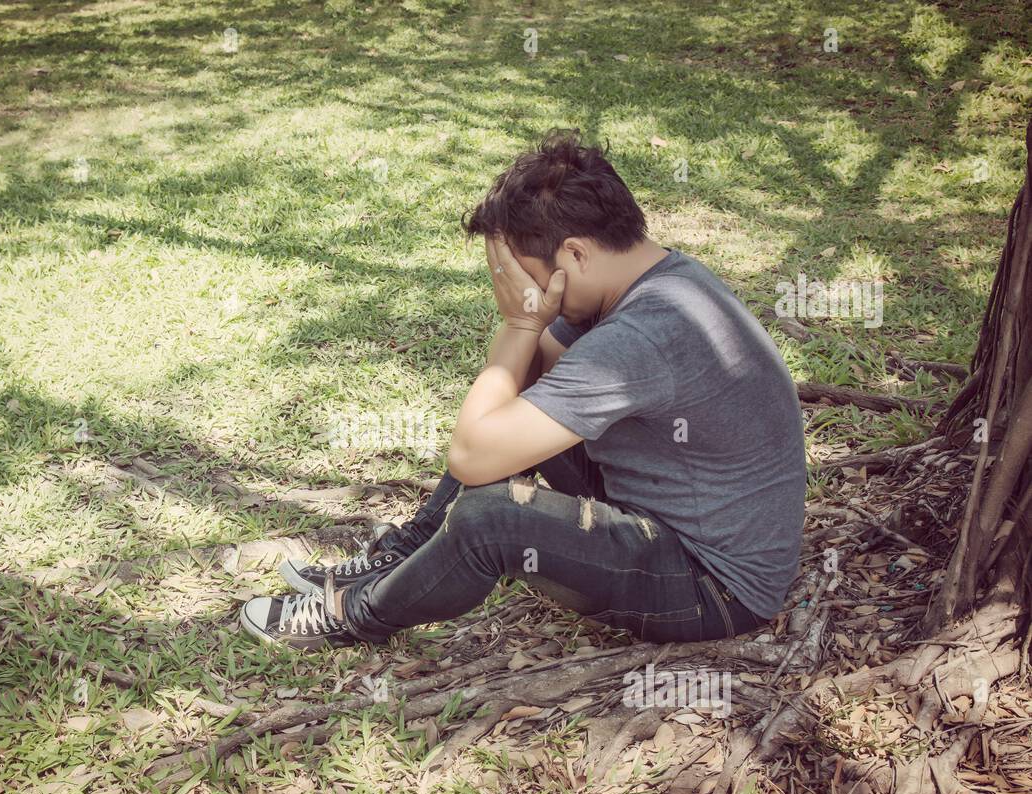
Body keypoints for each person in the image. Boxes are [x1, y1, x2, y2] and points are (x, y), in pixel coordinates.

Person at [240, 129, 806, 651]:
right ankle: (405, 556)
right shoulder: (650, 279)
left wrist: (520, 323)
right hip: (663, 520)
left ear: (575, 253)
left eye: (526, 276)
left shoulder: (645, 332)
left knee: (491, 519)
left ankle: (351, 613)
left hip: (714, 588)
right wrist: (526, 329)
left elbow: (472, 454)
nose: (522, 291)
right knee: (516, 415)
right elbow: (524, 385)